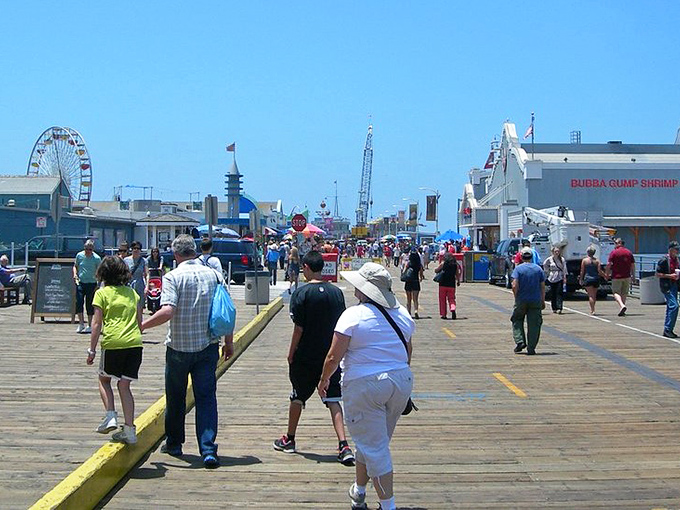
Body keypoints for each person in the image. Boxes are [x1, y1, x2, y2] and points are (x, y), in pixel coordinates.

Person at [318, 262, 414, 510]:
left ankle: (388, 505)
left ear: (365, 291)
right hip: (400, 382)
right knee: (372, 441)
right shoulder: (402, 313)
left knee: (375, 446)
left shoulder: (353, 314)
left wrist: (324, 379)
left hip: (365, 385)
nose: (354, 291)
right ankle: (359, 492)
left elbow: (333, 356)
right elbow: (407, 351)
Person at [141, 234, 234, 469]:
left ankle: (174, 443)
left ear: (175, 254)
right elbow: (227, 311)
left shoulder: (172, 277)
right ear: (194, 251)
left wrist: (142, 325)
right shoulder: (214, 275)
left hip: (179, 348)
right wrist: (229, 342)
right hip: (208, 346)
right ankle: (208, 449)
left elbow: (167, 311)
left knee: (176, 397)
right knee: (206, 398)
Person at [273, 251, 355, 465]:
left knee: (298, 396)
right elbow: (341, 326)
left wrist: (291, 353)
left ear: (307, 268)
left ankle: (289, 439)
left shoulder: (301, 294)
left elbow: (298, 329)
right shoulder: (336, 293)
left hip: (306, 355)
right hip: (330, 355)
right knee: (333, 399)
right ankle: (343, 445)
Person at [86, 256, 142, 444]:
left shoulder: (101, 294)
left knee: (104, 379)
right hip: (134, 343)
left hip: (113, 342)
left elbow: (96, 324)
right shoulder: (133, 293)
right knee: (124, 385)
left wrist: (92, 350)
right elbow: (139, 322)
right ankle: (129, 430)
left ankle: (110, 415)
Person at [511, 247, 546, 355]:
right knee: (534, 324)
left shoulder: (518, 269)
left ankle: (520, 341)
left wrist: (516, 296)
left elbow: (514, 285)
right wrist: (543, 300)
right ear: (531, 257)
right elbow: (542, 286)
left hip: (521, 299)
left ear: (521, 257)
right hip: (535, 300)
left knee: (517, 319)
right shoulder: (538, 269)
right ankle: (531, 348)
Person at [73, 240, 102, 333]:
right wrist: (75, 274)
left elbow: (100, 272)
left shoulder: (96, 258)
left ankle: (90, 325)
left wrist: (98, 284)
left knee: (90, 304)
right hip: (81, 282)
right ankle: (81, 324)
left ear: (92, 249)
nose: (87, 251)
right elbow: (75, 266)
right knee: (79, 302)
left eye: (89, 249)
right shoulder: (79, 255)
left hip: (92, 283)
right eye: (86, 249)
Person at [656, 241, 680, 338]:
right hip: (666, 286)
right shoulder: (664, 260)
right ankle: (668, 329)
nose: (677, 251)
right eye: (675, 249)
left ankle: (668, 329)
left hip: (674, 286)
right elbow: (657, 274)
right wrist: (670, 276)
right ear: (670, 250)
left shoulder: (677, 260)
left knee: (670, 307)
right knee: (675, 306)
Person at [606, 238, 635, 317]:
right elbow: (632, 265)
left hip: (616, 276)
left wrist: (607, 274)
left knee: (616, 292)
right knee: (624, 292)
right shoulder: (629, 252)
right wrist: (633, 276)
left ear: (618, 243)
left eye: (615, 243)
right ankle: (622, 307)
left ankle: (622, 306)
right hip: (627, 276)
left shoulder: (614, 253)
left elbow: (609, 264)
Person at [579, 245, 606, 315]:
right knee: (594, 295)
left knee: (590, 295)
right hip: (596, 279)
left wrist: (581, 279)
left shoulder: (584, 260)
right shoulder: (597, 261)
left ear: (587, 252)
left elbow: (582, 271)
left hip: (588, 279)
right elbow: (599, 271)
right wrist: (605, 276)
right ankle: (593, 308)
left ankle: (592, 310)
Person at [434, 252, 461, 320]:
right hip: (451, 284)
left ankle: (443, 314)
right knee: (451, 298)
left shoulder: (443, 263)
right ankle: (453, 308)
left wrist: (436, 269)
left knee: (442, 300)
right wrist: (458, 281)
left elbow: (436, 270)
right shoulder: (455, 265)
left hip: (442, 284)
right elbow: (457, 274)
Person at [543, 246, 567, 314]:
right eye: (555, 251)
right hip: (552, 277)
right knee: (553, 293)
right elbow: (545, 265)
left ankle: (559, 307)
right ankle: (554, 308)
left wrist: (564, 277)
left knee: (559, 292)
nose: (557, 253)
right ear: (552, 252)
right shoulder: (549, 259)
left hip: (559, 277)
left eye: (558, 251)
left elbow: (564, 269)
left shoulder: (562, 259)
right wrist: (547, 272)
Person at [124, 241, 148, 307]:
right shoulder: (126, 260)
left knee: (139, 307)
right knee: (129, 306)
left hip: (140, 286)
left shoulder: (144, 261)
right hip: (129, 286)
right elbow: (123, 273)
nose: (136, 250)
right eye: (134, 248)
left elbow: (147, 274)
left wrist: (147, 287)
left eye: (138, 248)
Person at [402, 251, 424, 319]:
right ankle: (416, 310)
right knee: (415, 299)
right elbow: (421, 274)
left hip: (408, 281)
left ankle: (409, 312)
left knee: (408, 299)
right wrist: (420, 278)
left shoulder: (408, 263)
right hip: (415, 281)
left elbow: (404, 271)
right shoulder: (419, 264)